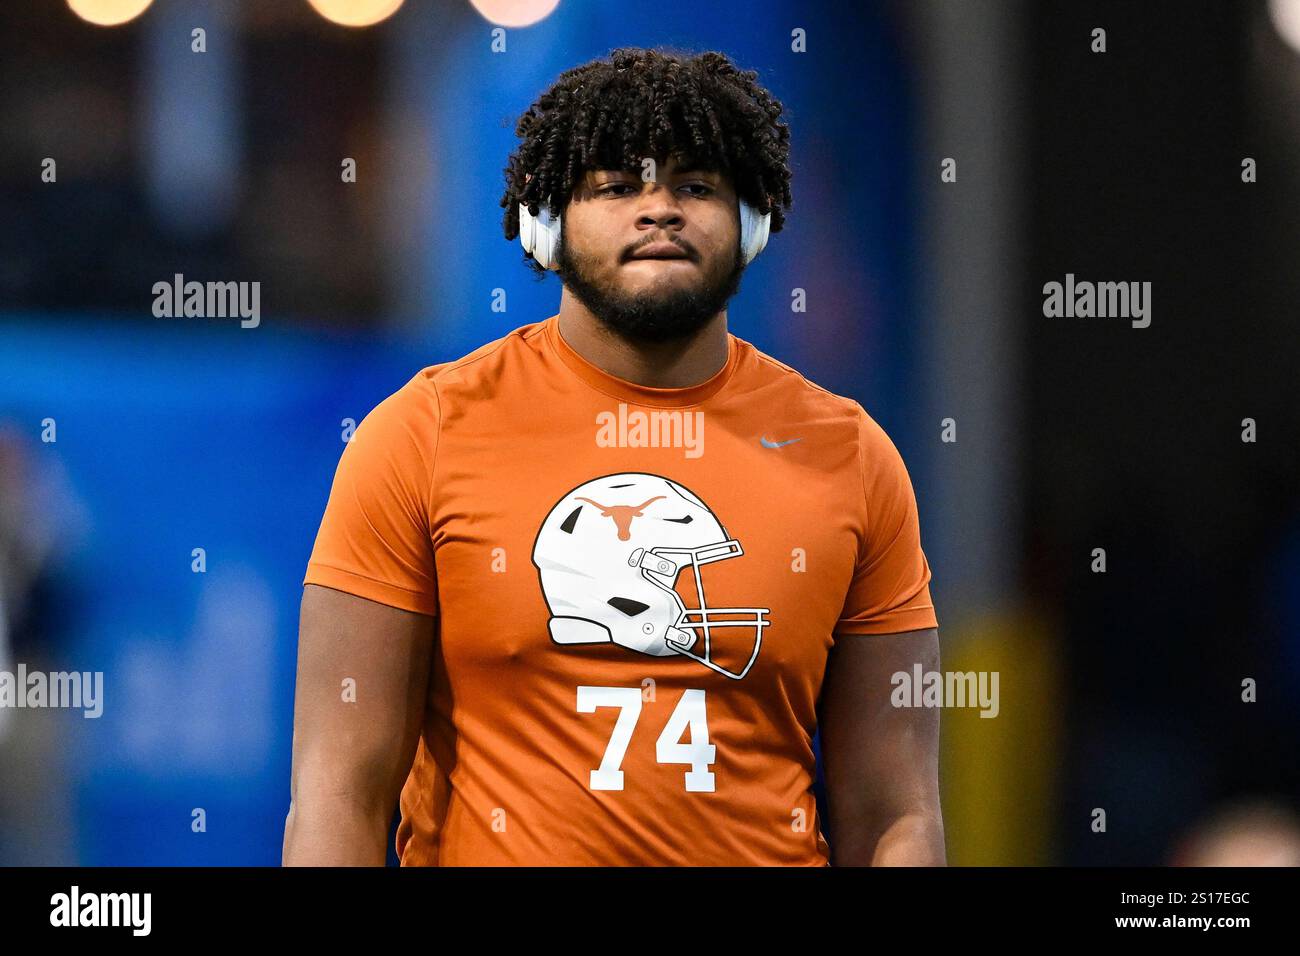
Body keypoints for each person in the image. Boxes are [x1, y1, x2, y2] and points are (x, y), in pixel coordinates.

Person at [283, 47, 944, 866]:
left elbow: (896, 814)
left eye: (698, 186)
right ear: (546, 224)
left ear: (754, 221)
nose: (660, 209)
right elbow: (339, 791)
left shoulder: (850, 456)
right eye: (617, 186)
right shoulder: (422, 434)